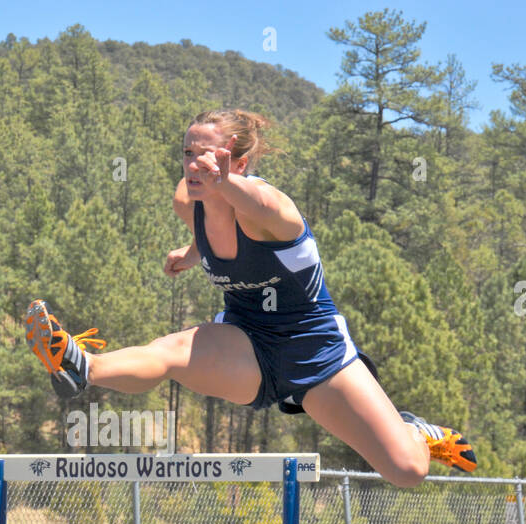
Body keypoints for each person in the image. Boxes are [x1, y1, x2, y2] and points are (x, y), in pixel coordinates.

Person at [25, 108, 476, 483]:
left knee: (407, 471)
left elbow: (251, 212)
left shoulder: (271, 208)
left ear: (239, 163)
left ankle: (413, 430)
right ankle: (80, 363)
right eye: (187, 153)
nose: (193, 165)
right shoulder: (188, 201)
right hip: (245, 340)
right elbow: (213, 232)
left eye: (209, 157)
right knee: (169, 352)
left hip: (315, 351)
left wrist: (225, 185)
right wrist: (192, 251)